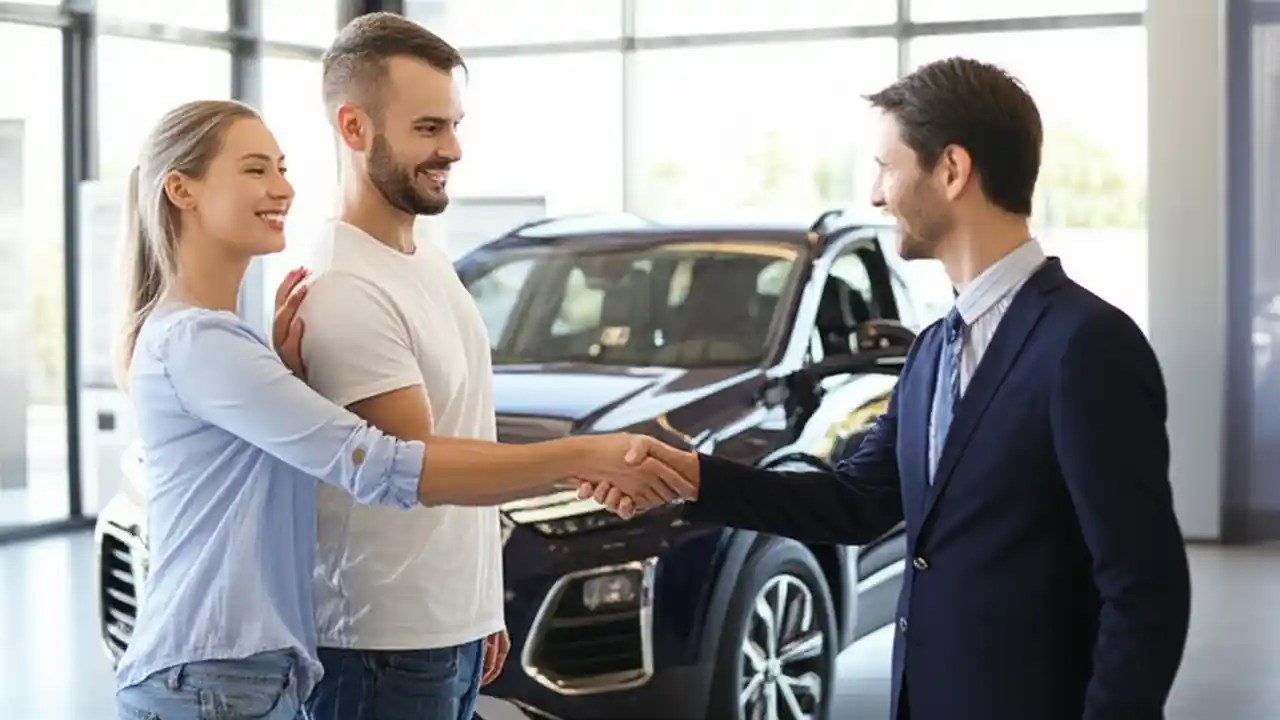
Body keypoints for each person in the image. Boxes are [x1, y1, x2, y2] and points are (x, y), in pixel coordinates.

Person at [580, 58, 1192, 720]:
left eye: (886, 166)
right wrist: (692, 477)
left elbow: (1144, 587)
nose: (875, 194)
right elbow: (855, 502)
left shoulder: (1086, 345)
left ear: (952, 170)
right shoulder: (933, 348)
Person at [111, 98, 693, 720]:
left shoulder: (226, 342)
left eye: (282, 168)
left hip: (243, 677)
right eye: (255, 170)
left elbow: (260, 487)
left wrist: (473, 603)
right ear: (182, 190)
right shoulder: (200, 343)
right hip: (211, 683)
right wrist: (584, 455)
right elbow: (383, 466)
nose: (282, 188)